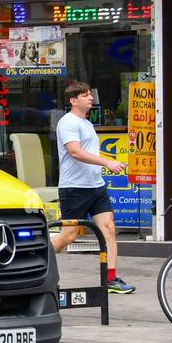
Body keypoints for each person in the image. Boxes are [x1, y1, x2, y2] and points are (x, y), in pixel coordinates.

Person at [50, 81, 134, 293]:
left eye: (90, 94)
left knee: (109, 229)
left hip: (96, 186)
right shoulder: (68, 123)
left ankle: (110, 279)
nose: (90, 98)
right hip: (74, 188)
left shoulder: (86, 123)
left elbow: (89, 152)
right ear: (73, 100)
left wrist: (112, 161)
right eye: (85, 95)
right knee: (68, 237)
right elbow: (75, 152)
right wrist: (107, 163)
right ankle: (37, 265)